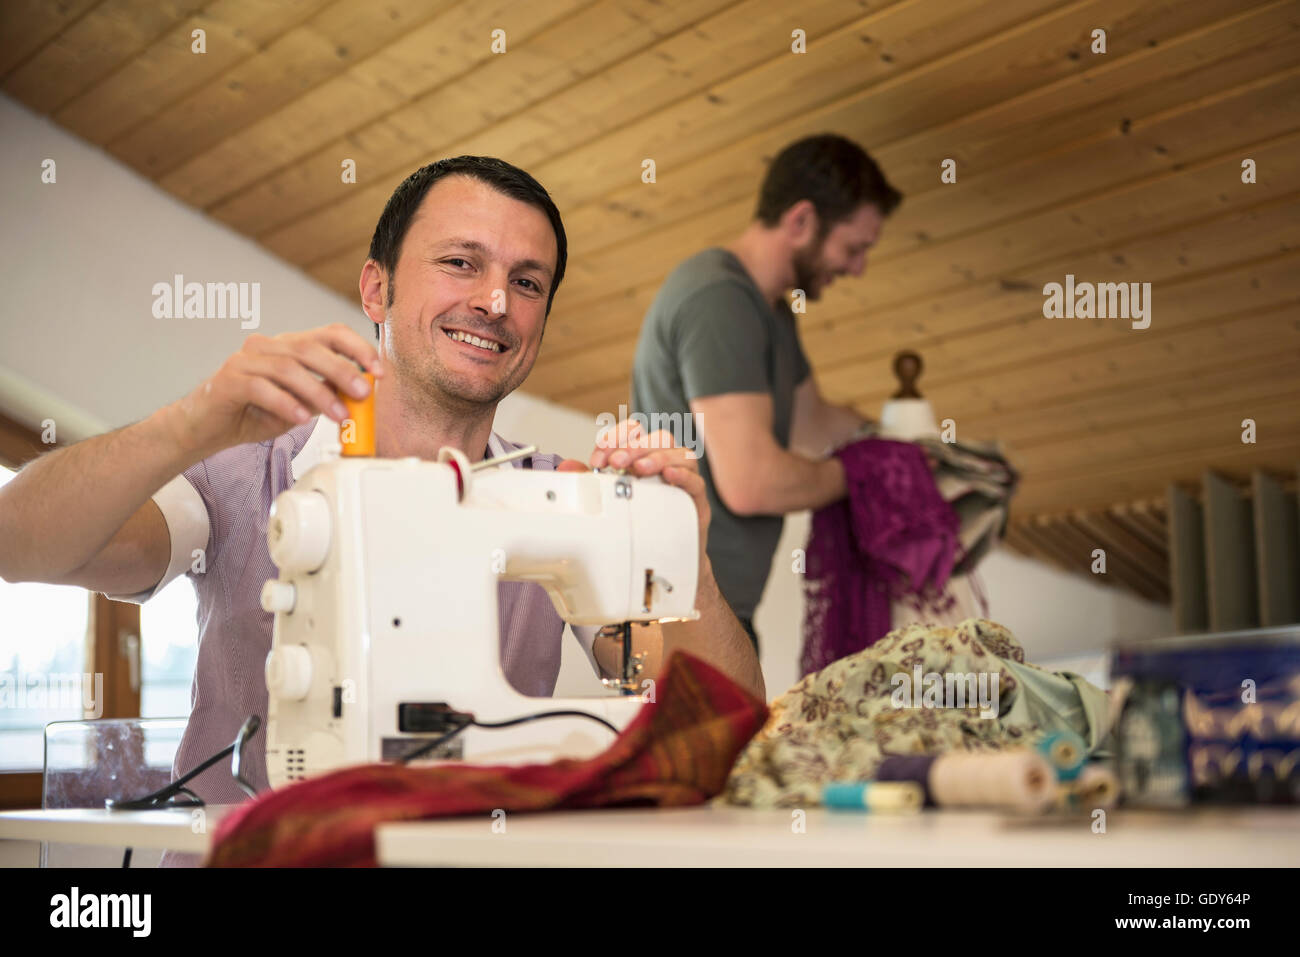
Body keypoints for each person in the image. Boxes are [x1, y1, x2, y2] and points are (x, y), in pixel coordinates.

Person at [0, 156, 764, 817]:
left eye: (526, 281)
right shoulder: (240, 473)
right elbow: (18, 543)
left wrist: (684, 564)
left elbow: (719, 724)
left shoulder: (558, 498)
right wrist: (193, 421)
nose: (495, 301)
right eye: (462, 263)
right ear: (376, 288)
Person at [631, 134, 903, 652]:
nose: (857, 268)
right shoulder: (720, 298)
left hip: (721, 610)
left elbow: (812, 424)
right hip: (679, 614)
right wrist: (870, 473)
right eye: (854, 248)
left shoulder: (772, 310)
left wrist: (901, 441)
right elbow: (753, 482)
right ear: (801, 221)